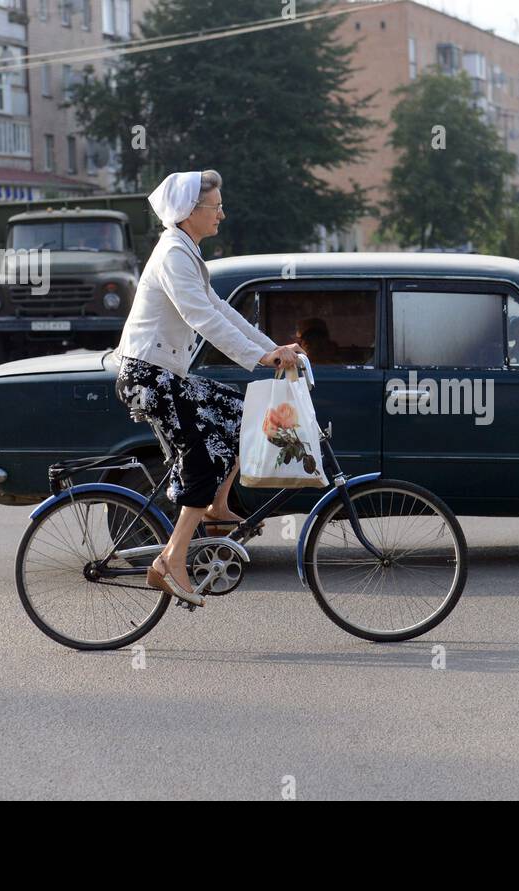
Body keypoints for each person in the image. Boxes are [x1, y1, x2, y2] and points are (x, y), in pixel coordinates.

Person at [113, 170, 303, 608]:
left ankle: (216, 508)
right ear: (189, 212)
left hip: (164, 374)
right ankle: (170, 561)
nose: (222, 213)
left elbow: (220, 309)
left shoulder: (187, 250)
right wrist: (261, 358)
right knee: (198, 461)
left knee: (246, 414)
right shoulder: (173, 256)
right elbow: (203, 318)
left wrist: (273, 347)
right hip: (148, 378)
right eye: (215, 207)